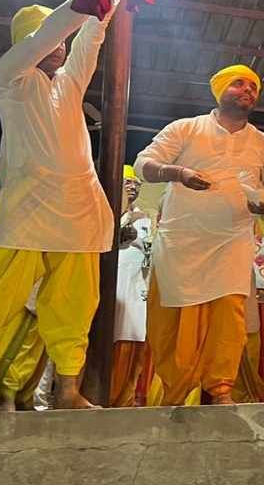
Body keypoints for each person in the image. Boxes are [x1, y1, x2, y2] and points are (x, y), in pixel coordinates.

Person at [0, 0, 115, 410]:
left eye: (60, 39)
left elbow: (90, 40)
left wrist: (109, 2)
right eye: (49, 36)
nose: (59, 45)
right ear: (27, 41)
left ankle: (68, 392)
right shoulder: (11, 77)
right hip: (27, 213)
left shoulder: (68, 85)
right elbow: (53, 34)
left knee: (75, 306)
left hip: (78, 213)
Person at [136, 64, 264, 405]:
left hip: (232, 240)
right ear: (219, 89)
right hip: (181, 241)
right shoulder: (186, 128)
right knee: (170, 323)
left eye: (253, 86)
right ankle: (176, 389)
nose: (248, 90)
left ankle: (220, 389)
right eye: (239, 83)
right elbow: (145, 163)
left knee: (229, 318)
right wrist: (177, 173)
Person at [111, 165, 155, 407]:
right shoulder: (105, 210)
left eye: (136, 183)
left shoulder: (144, 217)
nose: (133, 186)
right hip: (110, 288)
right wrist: (126, 217)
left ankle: (124, 399)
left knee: (134, 341)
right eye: (128, 181)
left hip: (136, 289)